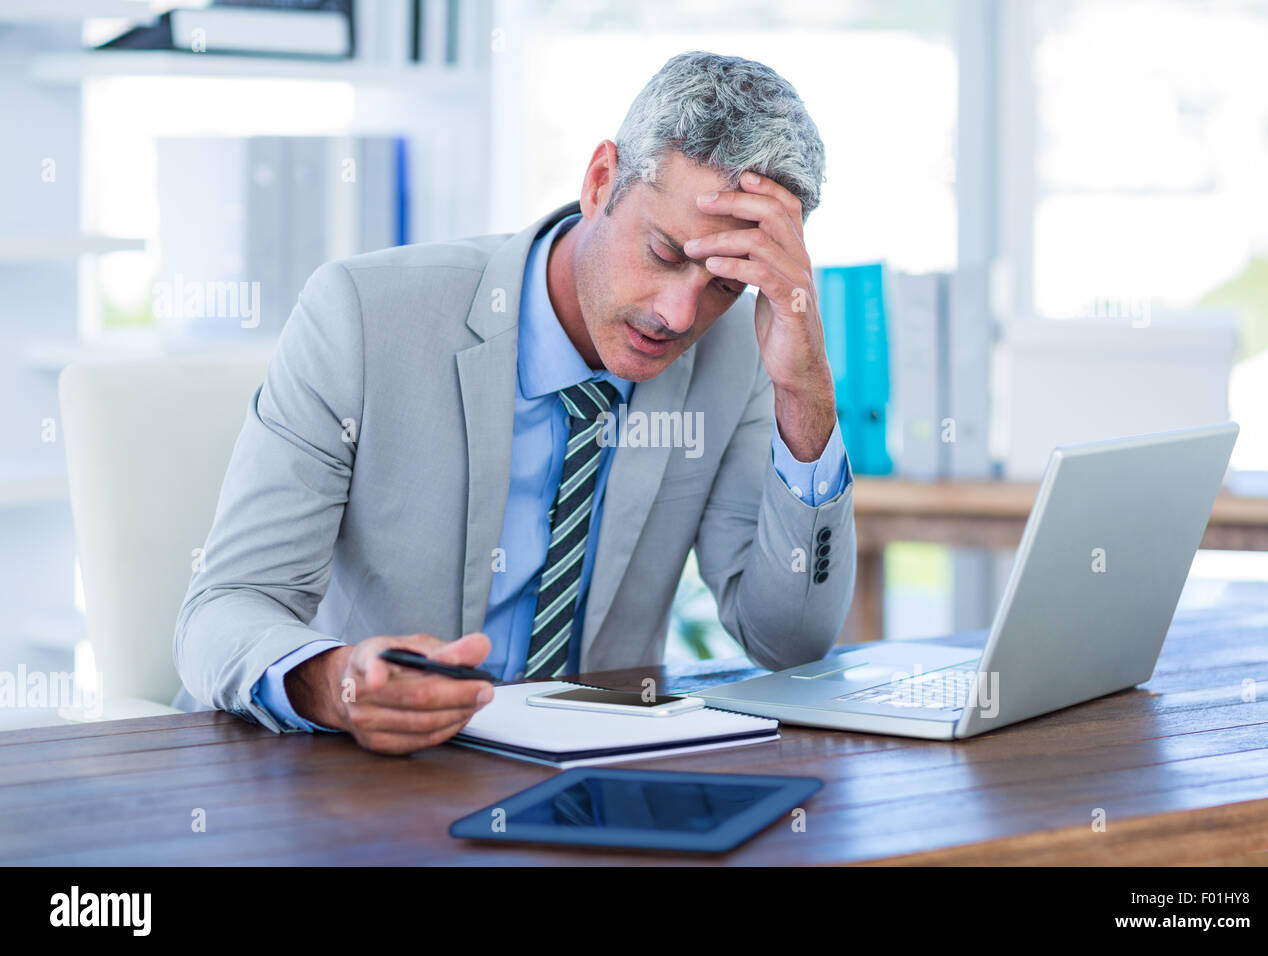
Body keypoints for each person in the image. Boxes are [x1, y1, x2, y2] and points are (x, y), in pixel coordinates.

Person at [174, 51, 855, 754]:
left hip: (581, 792)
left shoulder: (736, 360)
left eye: (724, 284)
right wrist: (336, 683)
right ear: (600, 182)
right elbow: (224, 608)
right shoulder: (362, 316)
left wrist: (806, 394)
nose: (679, 314)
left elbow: (789, 642)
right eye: (662, 251)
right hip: (349, 771)